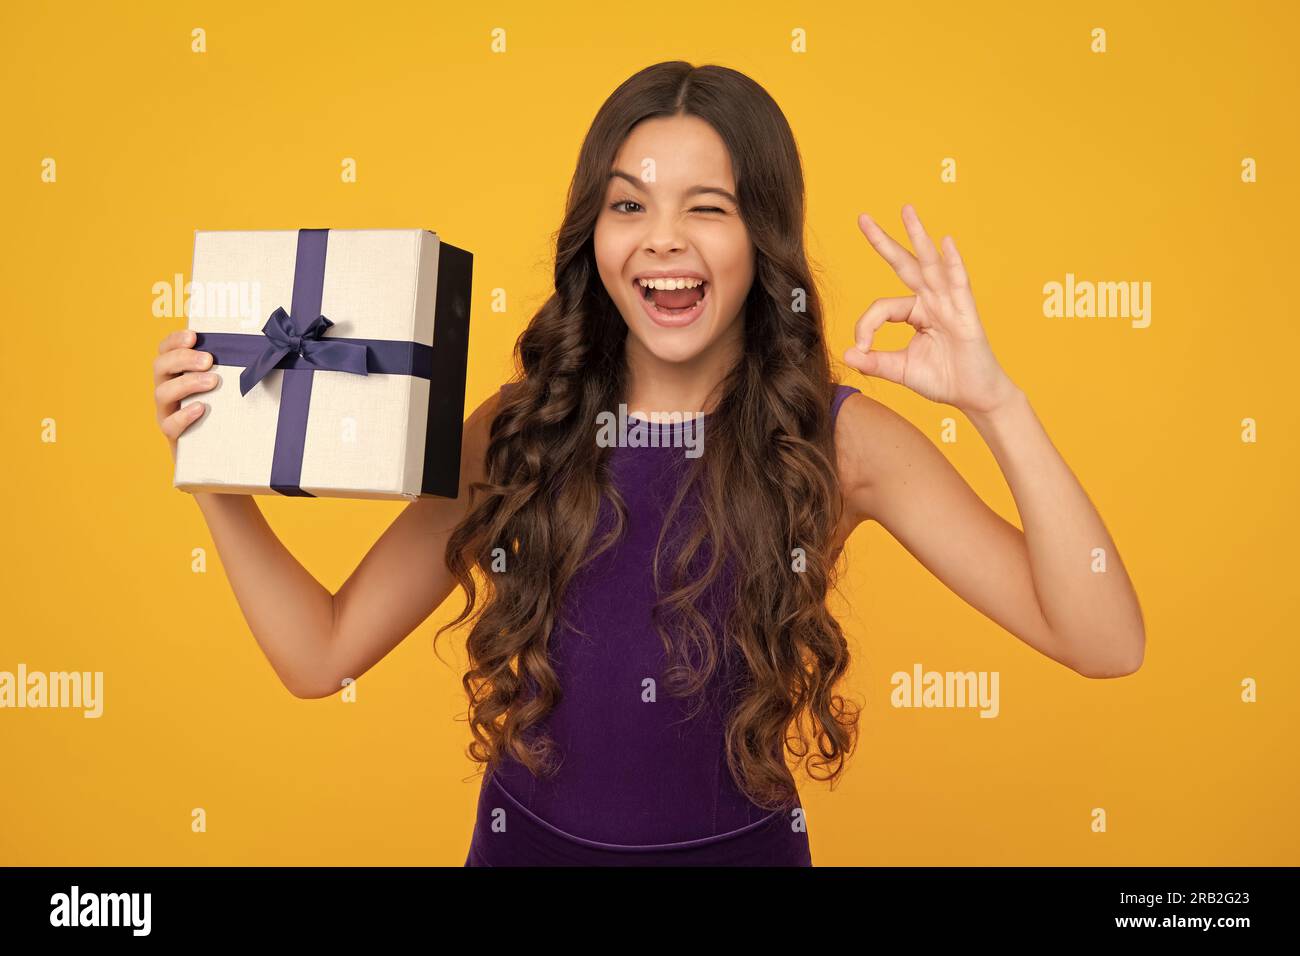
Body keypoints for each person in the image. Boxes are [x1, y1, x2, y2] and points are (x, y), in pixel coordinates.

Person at [151, 61, 1145, 867]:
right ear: (596, 236)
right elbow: (319, 652)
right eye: (629, 206)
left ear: (762, 237)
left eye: (706, 207)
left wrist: (995, 403)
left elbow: (1103, 638)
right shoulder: (515, 432)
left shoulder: (839, 444)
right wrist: (217, 471)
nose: (662, 238)